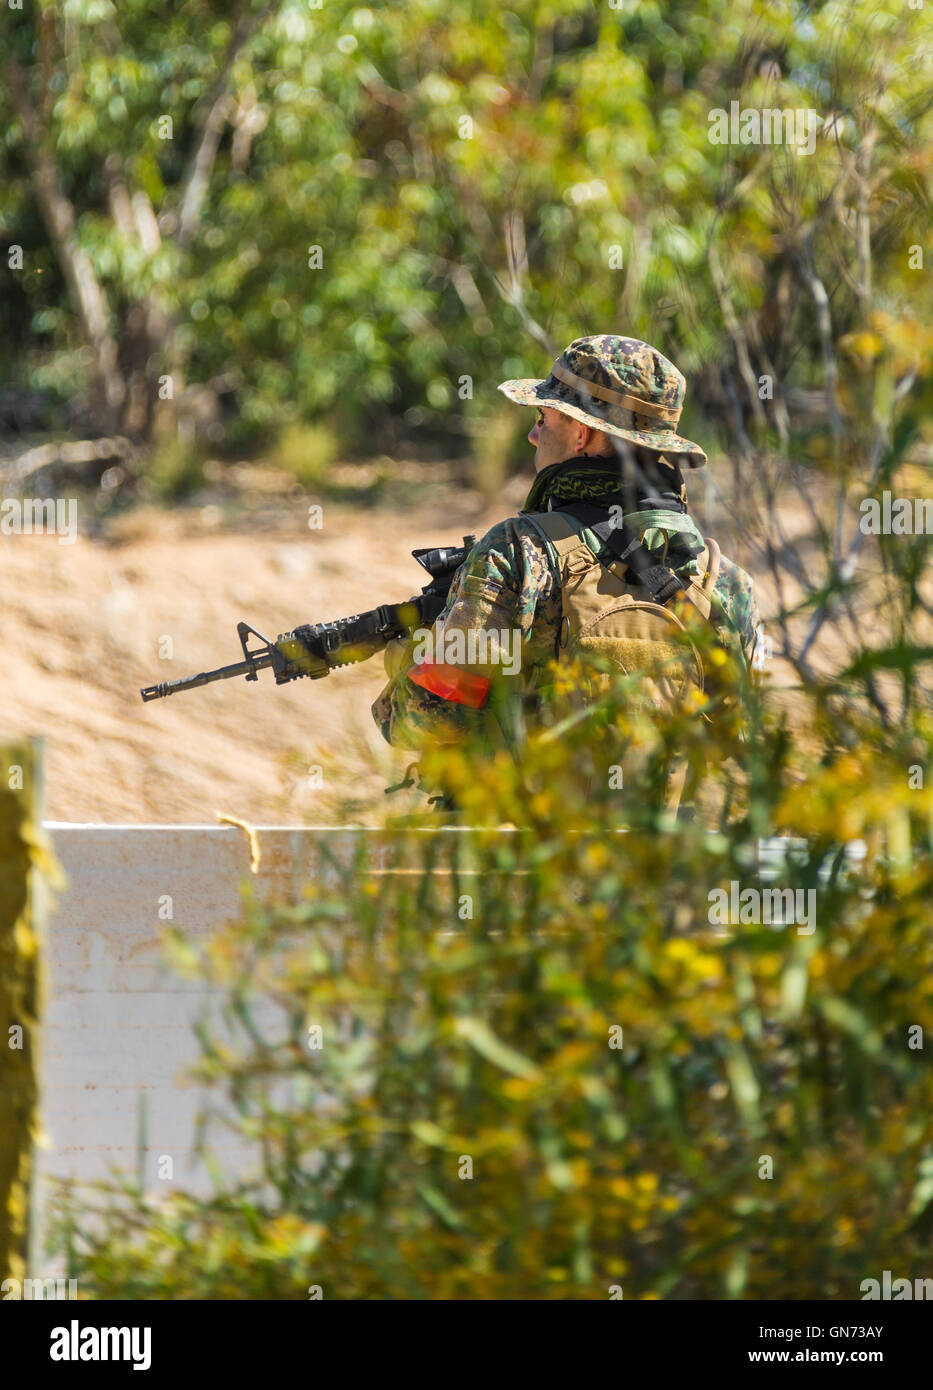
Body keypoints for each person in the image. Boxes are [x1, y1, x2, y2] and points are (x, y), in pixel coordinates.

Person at [372, 335, 764, 779]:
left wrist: (405, 661)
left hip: (529, 841)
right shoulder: (727, 580)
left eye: (543, 418)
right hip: (670, 844)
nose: (533, 433)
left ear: (582, 434)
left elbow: (431, 717)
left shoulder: (517, 550)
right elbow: (740, 743)